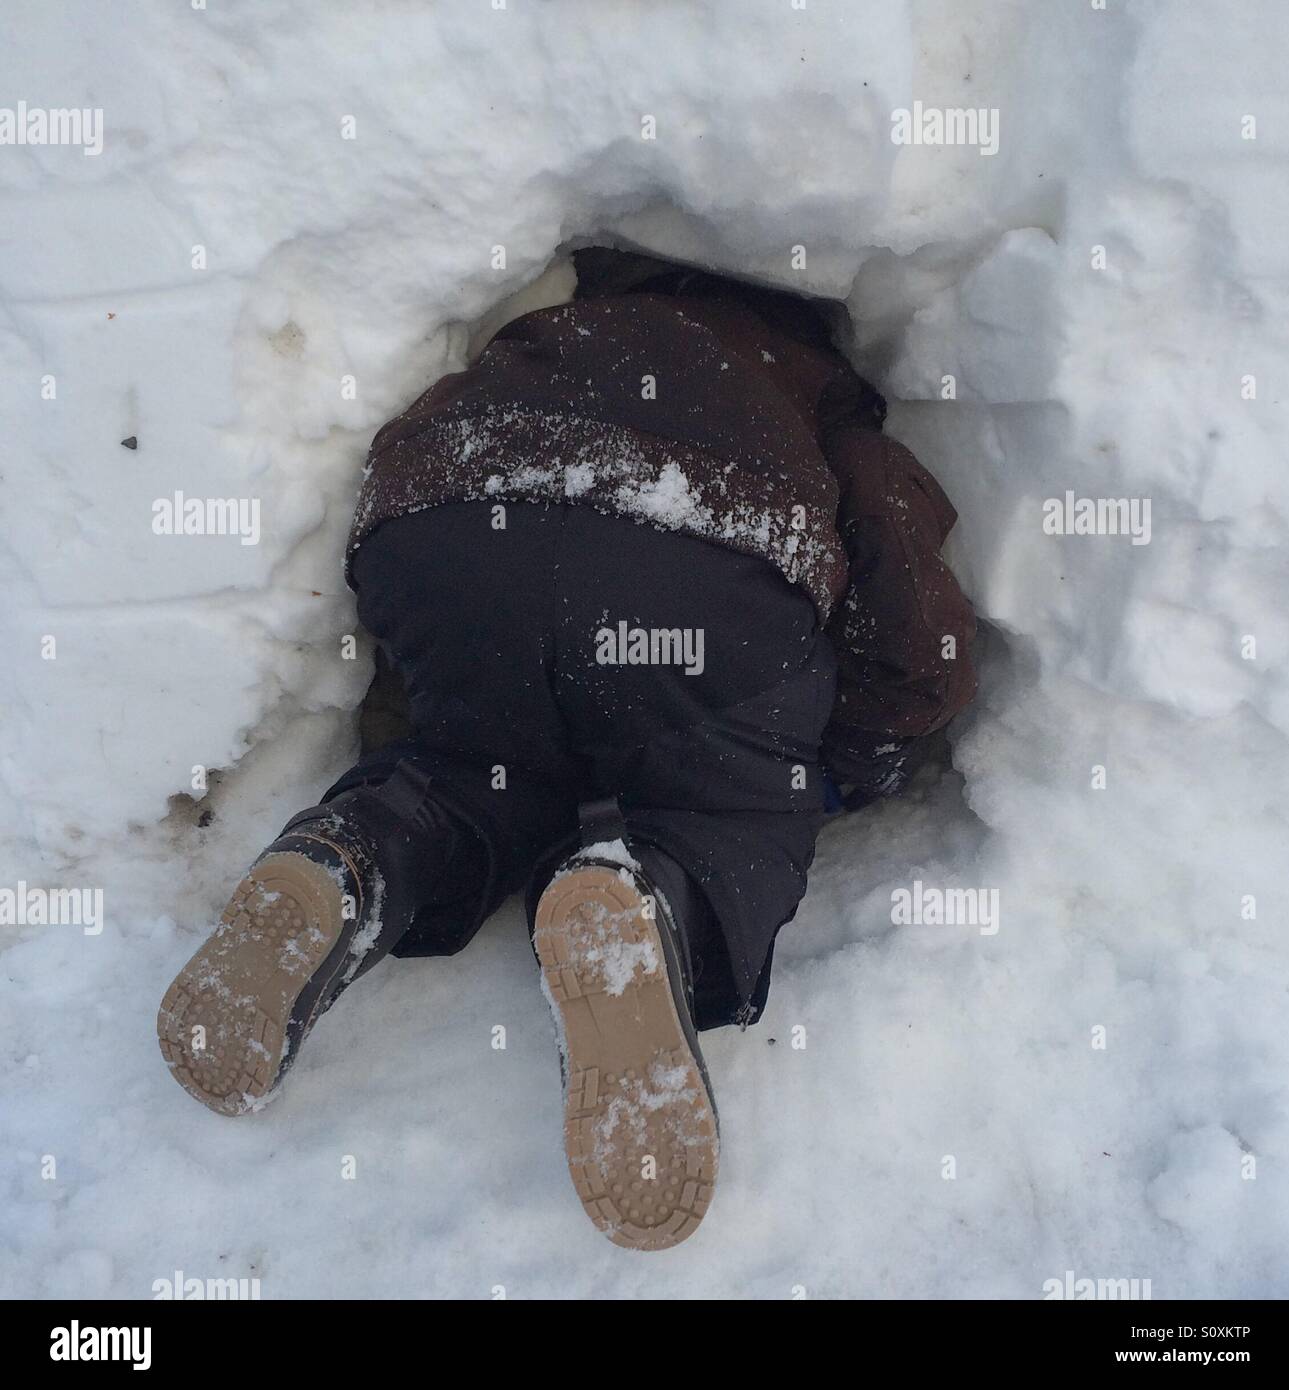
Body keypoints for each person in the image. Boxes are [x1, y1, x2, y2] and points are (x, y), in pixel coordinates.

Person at [157, 247, 977, 1251]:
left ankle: (350, 859)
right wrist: (856, 755)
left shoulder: (553, 333)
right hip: (693, 555)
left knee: (473, 768)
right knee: (721, 807)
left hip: (450, 526)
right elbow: (906, 603)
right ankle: (646, 894)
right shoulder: (809, 385)